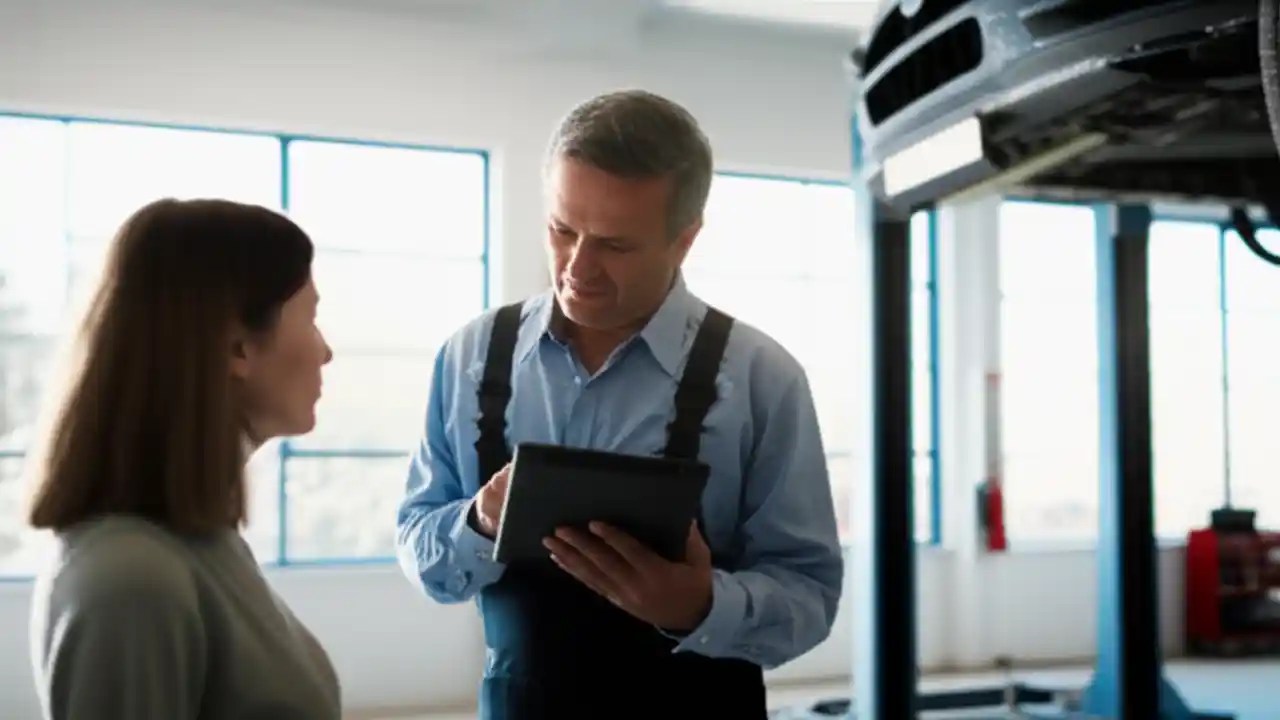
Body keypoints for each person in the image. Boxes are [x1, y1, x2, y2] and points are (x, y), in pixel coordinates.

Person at [395, 89, 844, 719]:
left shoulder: (761, 378)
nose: (579, 266)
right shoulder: (470, 357)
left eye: (615, 244)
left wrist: (697, 605)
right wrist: (478, 523)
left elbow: (809, 596)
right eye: (561, 230)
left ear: (684, 240)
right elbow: (419, 545)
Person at [25, 198, 339, 720]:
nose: (326, 350)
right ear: (237, 347)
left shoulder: (199, 543)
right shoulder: (132, 578)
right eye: (311, 317)